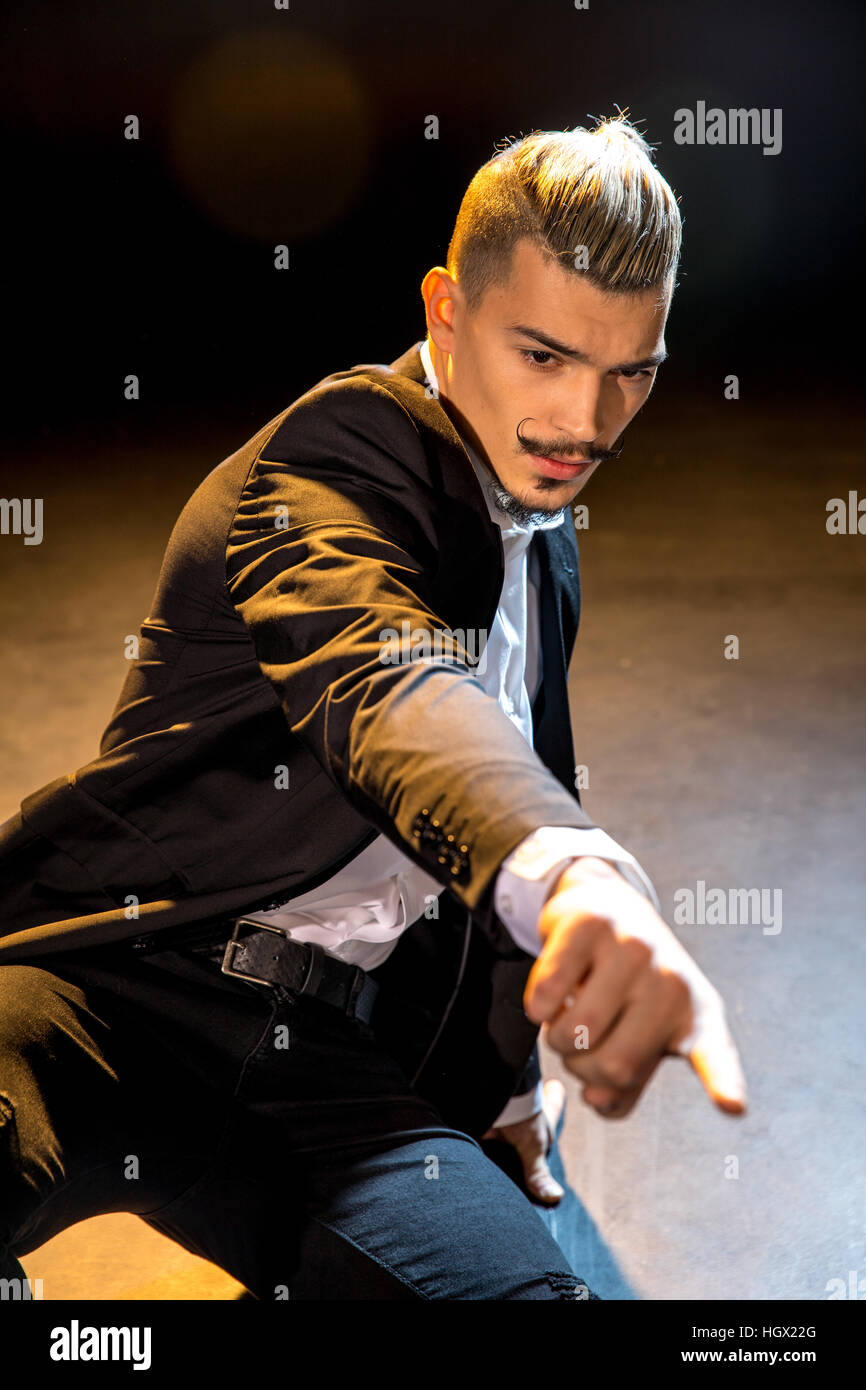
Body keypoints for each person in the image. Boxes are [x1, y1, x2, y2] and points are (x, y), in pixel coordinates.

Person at [0, 114, 745, 1301]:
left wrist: (504, 1094)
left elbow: (511, 776)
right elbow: (383, 679)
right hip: (109, 983)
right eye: (542, 356)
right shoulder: (335, 454)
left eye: (629, 373)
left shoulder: (543, 548)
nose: (585, 425)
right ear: (446, 312)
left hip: (317, 1057)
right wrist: (577, 872)